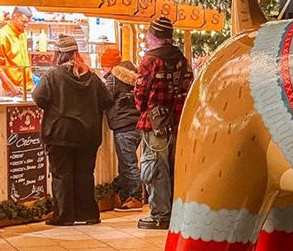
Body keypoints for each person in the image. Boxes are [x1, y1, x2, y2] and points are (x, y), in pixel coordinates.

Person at [32, 35, 114, 226]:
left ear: (59, 54)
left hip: (60, 133)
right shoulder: (91, 76)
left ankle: (64, 215)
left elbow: (39, 97)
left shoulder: (53, 75)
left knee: (61, 174)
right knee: (85, 174)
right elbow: (108, 100)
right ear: (76, 53)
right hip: (88, 134)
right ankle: (89, 214)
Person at [134, 16, 193, 230]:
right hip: (178, 122)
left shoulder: (149, 60)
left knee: (155, 167)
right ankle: (175, 212)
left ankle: (160, 214)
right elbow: (189, 89)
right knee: (174, 167)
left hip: (155, 125)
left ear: (153, 36)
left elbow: (140, 95)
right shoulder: (182, 60)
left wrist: (145, 110)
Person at [102, 48, 143, 212]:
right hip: (136, 124)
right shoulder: (133, 76)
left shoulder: (113, 79)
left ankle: (135, 198)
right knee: (129, 163)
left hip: (123, 125)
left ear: (108, 65)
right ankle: (127, 197)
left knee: (128, 164)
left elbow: (105, 99)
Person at [0, 6, 35, 97]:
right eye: (24, 21)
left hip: (27, 86)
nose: (26, 25)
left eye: (28, 22)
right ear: (14, 17)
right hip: (12, 89)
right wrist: (11, 86)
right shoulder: (2, 36)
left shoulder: (23, 33)